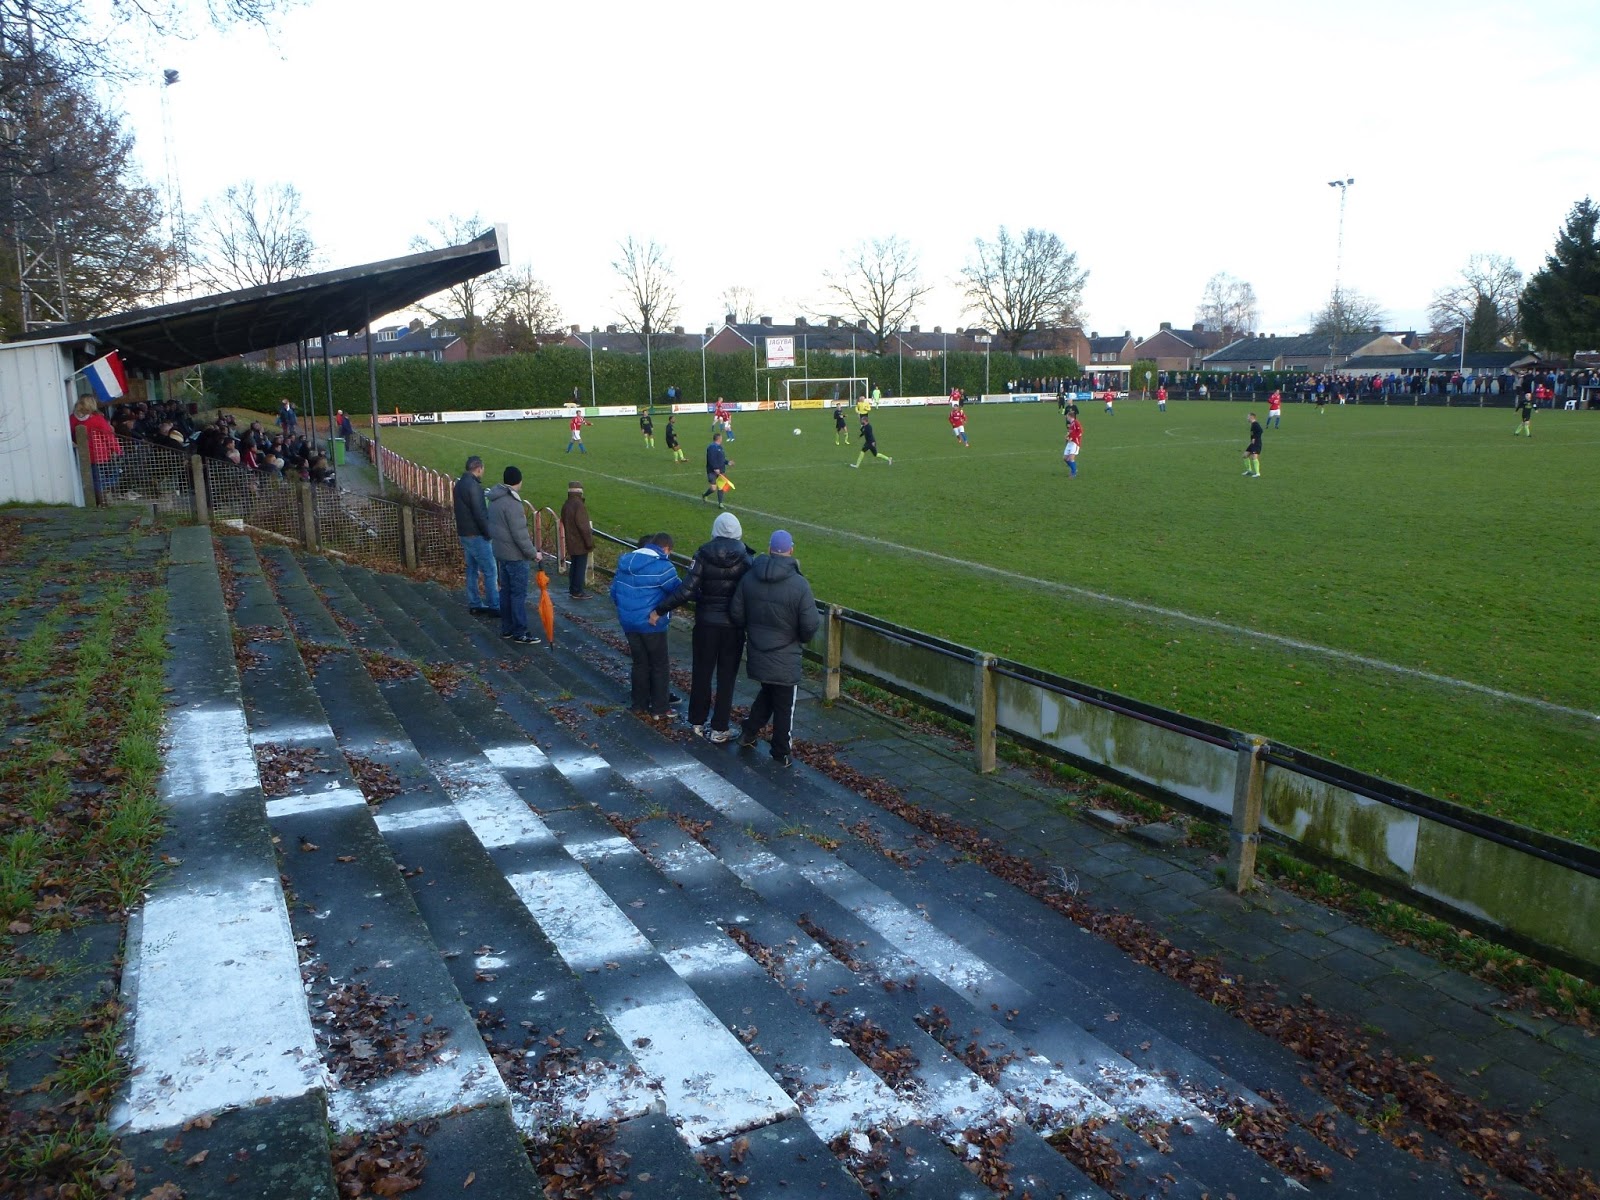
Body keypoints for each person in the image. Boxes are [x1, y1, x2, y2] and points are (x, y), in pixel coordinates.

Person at [653, 511, 753, 742]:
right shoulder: (746, 558)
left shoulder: (704, 554)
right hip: (733, 627)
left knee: (702, 673)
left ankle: (697, 721)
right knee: (727, 677)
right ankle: (720, 728)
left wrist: (660, 609)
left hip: (707, 623)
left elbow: (686, 590)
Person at [731, 530, 820, 768]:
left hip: (759, 650)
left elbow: (737, 612)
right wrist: (799, 639)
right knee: (783, 704)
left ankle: (749, 732)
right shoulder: (799, 584)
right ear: (790, 550)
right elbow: (810, 624)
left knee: (769, 692)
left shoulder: (750, 577)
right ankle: (781, 752)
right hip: (785, 654)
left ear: (770, 549)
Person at [609, 533, 682, 718]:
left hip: (629, 622)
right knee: (659, 665)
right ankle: (660, 708)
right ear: (666, 549)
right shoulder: (664, 567)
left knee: (639, 663)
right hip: (652, 623)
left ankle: (639, 704)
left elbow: (614, 591)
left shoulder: (625, 562)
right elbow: (679, 592)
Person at [486, 465, 542, 643]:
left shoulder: (495, 499)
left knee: (506, 592)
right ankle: (520, 632)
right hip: (515, 556)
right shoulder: (512, 503)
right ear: (519, 481)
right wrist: (534, 554)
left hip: (501, 553)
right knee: (518, 594)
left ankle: (507, 628)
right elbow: (520, 534)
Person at [452, 455, 499, 615]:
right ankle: (494, 605)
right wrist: (488, 533)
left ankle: (475, 603)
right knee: (490, 570)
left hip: (464, 533)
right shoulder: (474, 487)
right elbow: (479, 513)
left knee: (471, 569)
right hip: (476, 535)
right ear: (478, 469)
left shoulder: (459, 484)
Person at [70, 394, 123, 502]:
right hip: (100, 454)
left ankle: (95, 500)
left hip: (82, 455)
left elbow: (71, 435)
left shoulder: (72, 419)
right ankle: (102, 500)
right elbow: (108, 436)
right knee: (102, 478)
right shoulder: (97, 419)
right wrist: (117, 450)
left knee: (91, 479)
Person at [560, 480, 595, 600]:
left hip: (571, 541)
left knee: (574, 566)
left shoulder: (567, 504)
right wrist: (589, 543)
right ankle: (577, 591)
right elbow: (584, 527)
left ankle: (573, 588)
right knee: (580, 567)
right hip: (580, 542)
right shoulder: (579, 505)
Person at [701, 430, 733, 507]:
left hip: (721, 471)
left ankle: (720, 503)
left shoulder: (720, 447)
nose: (722, 439)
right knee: (713, 488)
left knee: (721, 487)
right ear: (718, 439)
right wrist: (715, 468)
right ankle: (705, 495)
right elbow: (711, 458)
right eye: (721, 438)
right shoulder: (712, 447)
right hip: (712, 471)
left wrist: (728, 462)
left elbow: (721, 459)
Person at [1243, 412, 1263, 477]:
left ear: (1251, 417)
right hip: (1252, 443)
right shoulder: (1253, 424)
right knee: (1245, 455)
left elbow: (1260, 431)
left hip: (1257, 443)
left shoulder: (1255, 424)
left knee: (1254, 456)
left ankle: (1257, 473)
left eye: (1248, 417)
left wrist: (1254, 438)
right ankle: (1249, 470)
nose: (1247, 418)